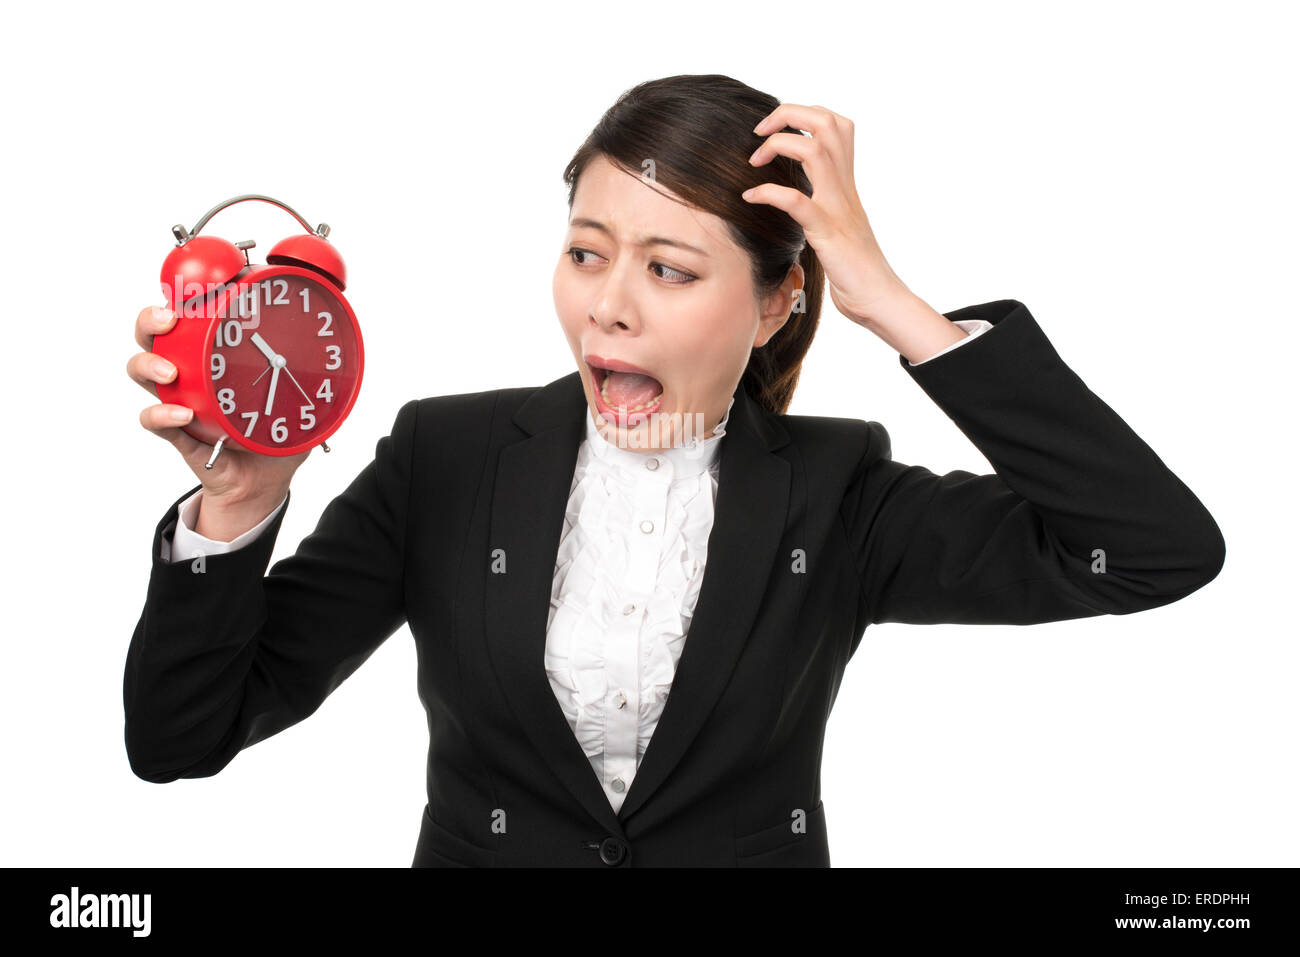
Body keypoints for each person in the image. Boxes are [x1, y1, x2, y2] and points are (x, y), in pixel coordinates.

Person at [123, 75, 1225, 867]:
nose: (609, 303)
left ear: (774, 302)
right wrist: (239, 505)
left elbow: (1151, 552)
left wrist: (890, 301)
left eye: (670, 267)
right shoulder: (443, 459)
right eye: (587, 251)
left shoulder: (841, 491)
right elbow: (184, 739)